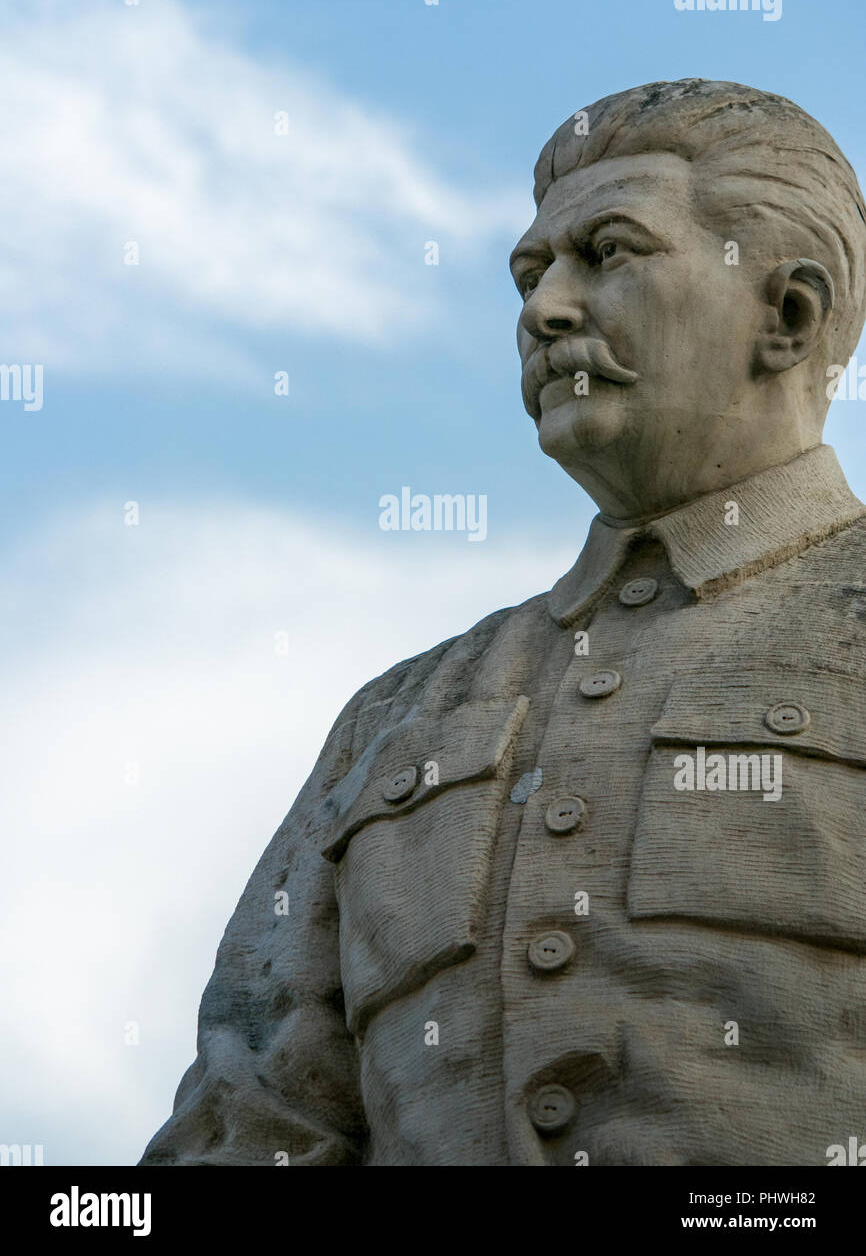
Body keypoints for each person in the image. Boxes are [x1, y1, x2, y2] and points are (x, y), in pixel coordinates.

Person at [141, 78, 866, 1166]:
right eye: (529, 274)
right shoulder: (399, 711)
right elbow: (252, 1122)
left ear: (786, 314)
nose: (544, 308)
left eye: (606, 254)